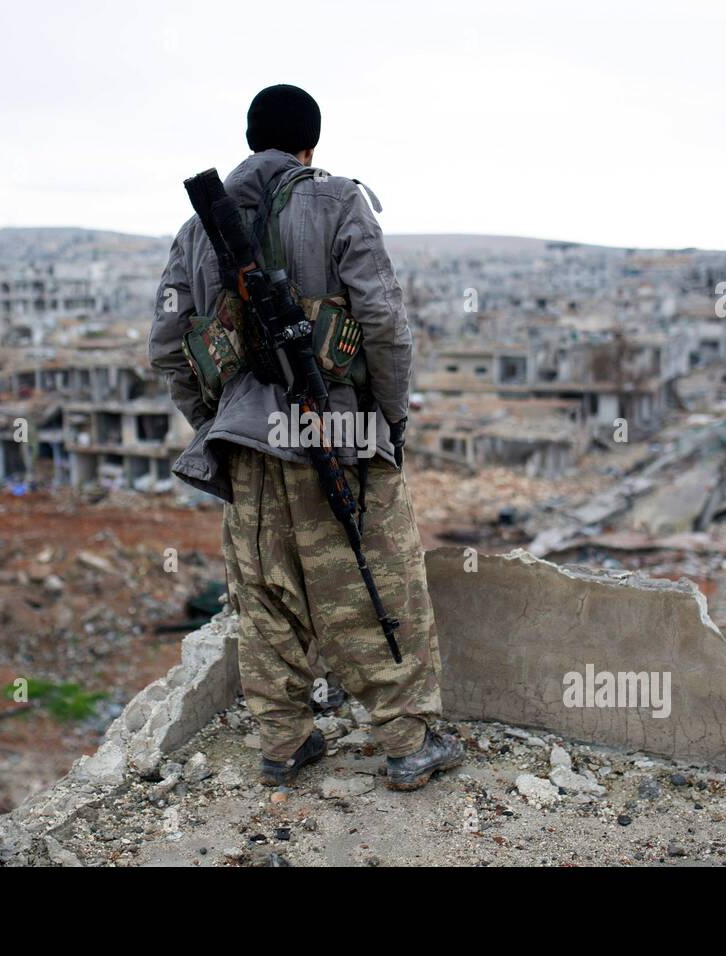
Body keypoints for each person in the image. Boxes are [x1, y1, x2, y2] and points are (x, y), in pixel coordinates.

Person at [149, 84, 462, 791]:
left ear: (251, 139)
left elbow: (168, 347)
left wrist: (221, 422)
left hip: (247, 447)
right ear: (309, 146)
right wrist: (387, 422)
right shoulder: (340, 200)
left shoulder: (196, 227)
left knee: (266, 596)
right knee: (374, 583)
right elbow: (383, 323)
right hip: (339, 434)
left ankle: (284, 743)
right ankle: (407, 742)